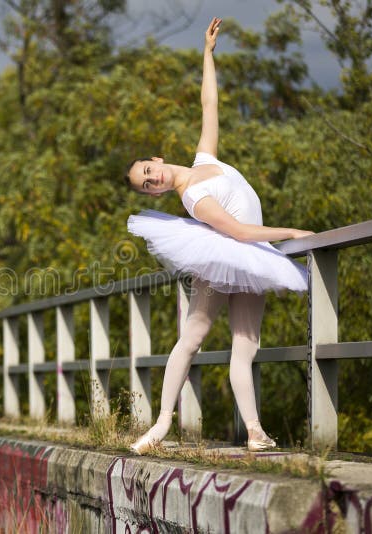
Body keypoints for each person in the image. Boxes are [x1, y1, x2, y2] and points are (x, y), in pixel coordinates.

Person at [124, 17, 314, 454]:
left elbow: (209, 105)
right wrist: (289, 231)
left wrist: (207, 54)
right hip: (230, 254)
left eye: (149, 171)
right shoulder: (193, 197)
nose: (153, 180)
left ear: (157, 159)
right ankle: (161, 425)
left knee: (246, 344)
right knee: (193, 337)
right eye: (146, 185)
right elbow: (239, 231)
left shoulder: (203, 159)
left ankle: (255, 432)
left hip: (251, 256)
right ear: (151, 192)